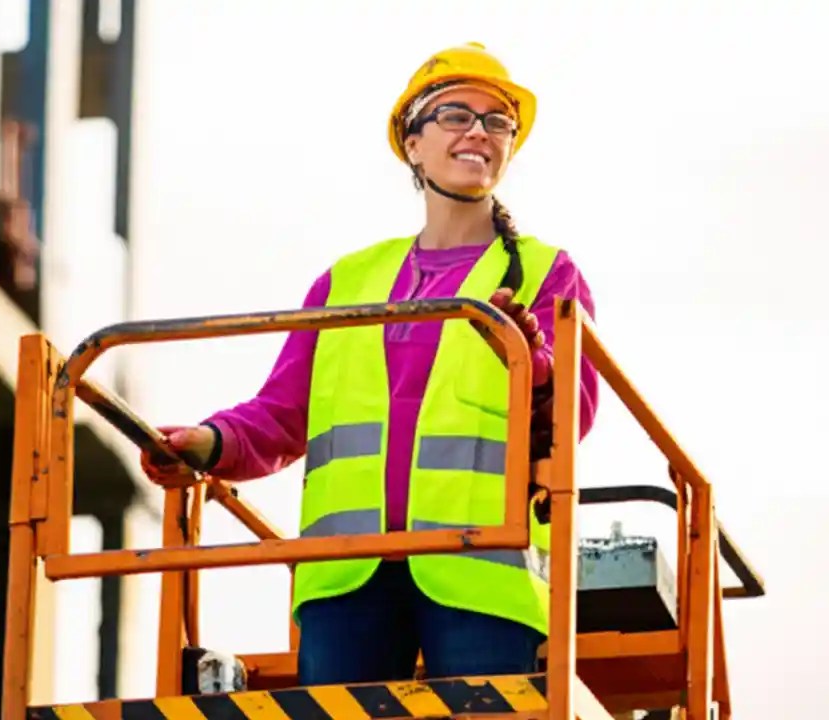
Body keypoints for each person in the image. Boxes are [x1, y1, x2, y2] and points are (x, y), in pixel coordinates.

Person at [141, 41, 599, 686]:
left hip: (483, 567)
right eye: (456, 115)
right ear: (411, 143)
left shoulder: (547, 272)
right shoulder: (349, 280)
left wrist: (533, 361)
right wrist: (209, 443)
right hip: (348, 571)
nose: (480, 132)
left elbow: (571, 414)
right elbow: (281, 413)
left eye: (498, 121)